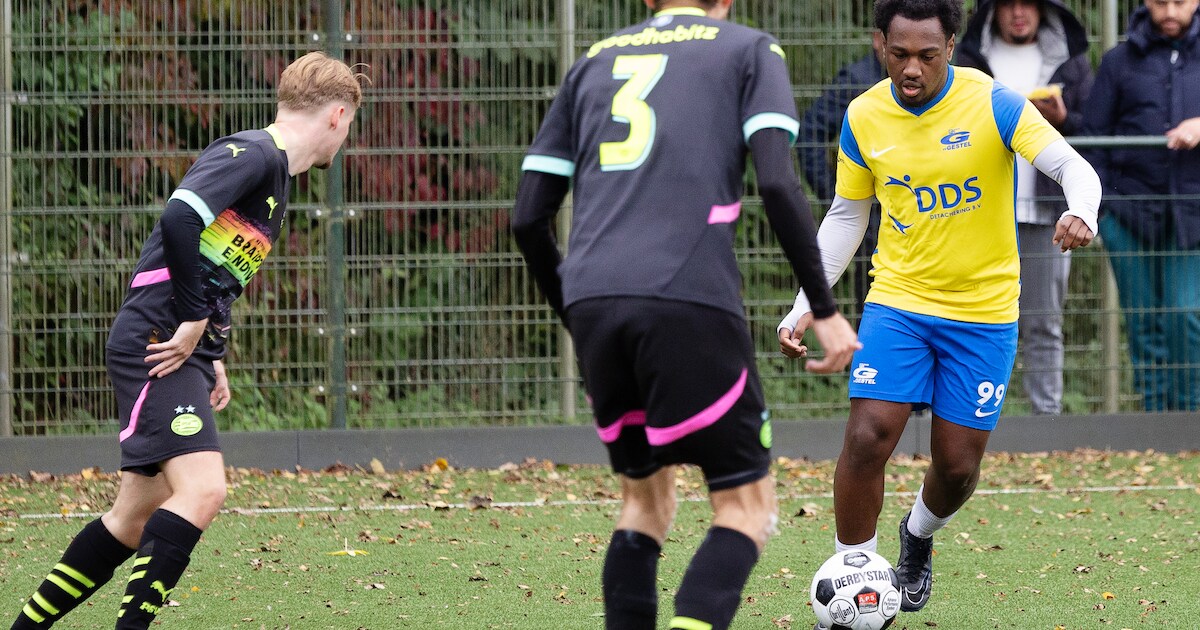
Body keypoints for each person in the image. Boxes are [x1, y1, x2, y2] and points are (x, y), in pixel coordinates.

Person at [512, 1, 860, 628]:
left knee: (645, 505)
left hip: (594, 301)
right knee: (747, 509)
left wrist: (578, 315)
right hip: (688, 298)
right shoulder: (749, 49)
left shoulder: (593, 60)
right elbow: (778, 183)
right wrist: (827, 309)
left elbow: (528, 217)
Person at [10, 52, 363, 630]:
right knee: (203, 492)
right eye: (349, 127)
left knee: (133, 517)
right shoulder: (252, 154)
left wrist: (213, 347)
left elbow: (215, 268)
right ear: (338, 115)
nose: (345, 138)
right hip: (156, 339)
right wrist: (194, 322)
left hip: (178, 347)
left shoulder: (275, 176)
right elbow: (180, 220)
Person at [775, 0, 1101, 625]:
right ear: (881, 46)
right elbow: (847, 216)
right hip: (898, 302)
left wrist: (1081, 210)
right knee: (869, 434)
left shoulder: (993, 102)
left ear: (952, 45)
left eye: (927, 54)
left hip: (983, 314)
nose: (911, 69)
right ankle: (856, 578)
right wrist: (804, 306)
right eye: (899, 55)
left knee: (955, 466)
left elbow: (1072, 167)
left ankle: (918, 536)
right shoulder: (864, 115)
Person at [956, 0, 1094, 416]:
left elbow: (1094, 127)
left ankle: (1045, 419)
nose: (1019, 12)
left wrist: (1064, 118)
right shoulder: (968, 62)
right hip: (976, 214)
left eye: (1028, 4)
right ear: (991, 11)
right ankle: (962, 417)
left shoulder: (1070, 64)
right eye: (1008, 4)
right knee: (963, 320)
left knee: (1043, 322)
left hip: (1046, 214)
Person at [1080, 0, 1200, 412]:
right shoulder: (1119, 61)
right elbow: (1092, 137)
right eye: (1161, 1)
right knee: (1143, 322)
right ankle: (1154, 419)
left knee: (1185, 315)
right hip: (1129, 215)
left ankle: (1188, 421)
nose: (1169, 10)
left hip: (1192, 217)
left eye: (1179, 1)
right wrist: (1105, 212)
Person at [798, 34, 887, 317]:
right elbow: (810, 133)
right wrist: (837, 195)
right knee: (874, 312)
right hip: (872, 224)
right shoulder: (858, 81)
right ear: (878, 39)